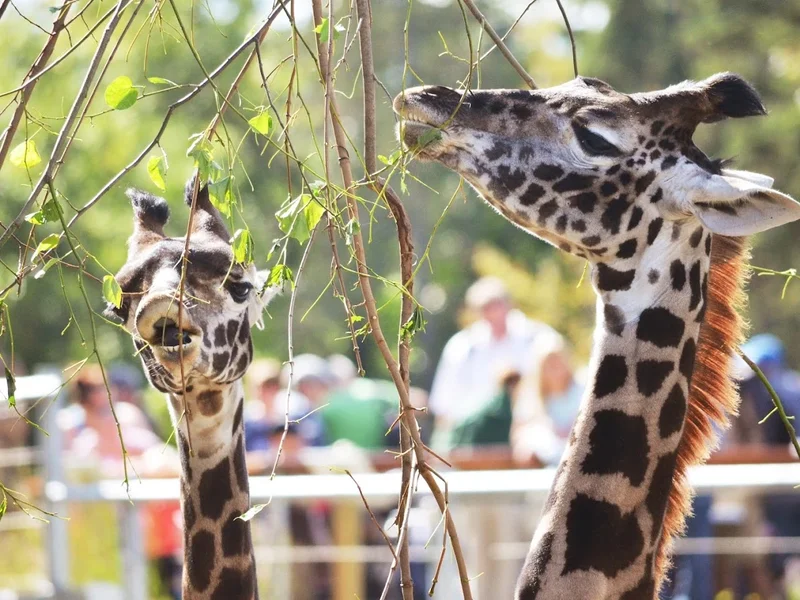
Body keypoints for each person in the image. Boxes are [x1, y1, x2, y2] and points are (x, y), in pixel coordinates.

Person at [428, 277, 557, 450]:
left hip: (531, 437)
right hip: (474, 440)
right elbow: (443, 406)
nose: (493, 313)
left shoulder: (538, 339)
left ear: (509, 304)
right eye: (485, 308)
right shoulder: (462, 347)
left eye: (497, 305)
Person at [511, 333, 584, 466]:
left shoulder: (584, 389)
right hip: (545, 463)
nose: (555, 368)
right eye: (549, 364)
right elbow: (519, 434)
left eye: (558, 361)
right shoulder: (530, 396)